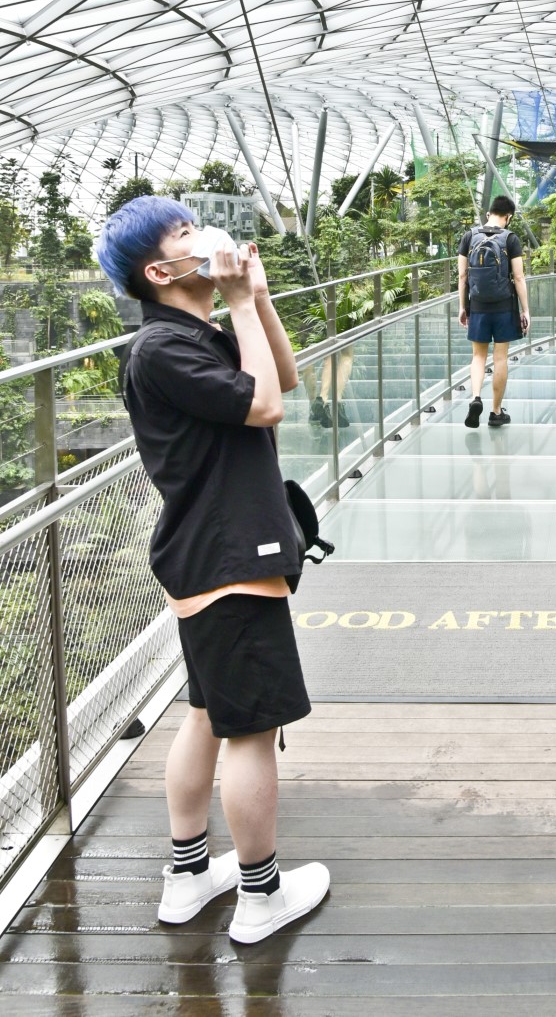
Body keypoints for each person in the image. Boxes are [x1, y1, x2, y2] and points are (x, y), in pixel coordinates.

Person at [96, 197, 330, 944]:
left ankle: (190, 872)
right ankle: (261, 895)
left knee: (206, 713)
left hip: (207, 552)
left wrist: (252, 301)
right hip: (231, 555)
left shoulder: (190, 336)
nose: (205, 236)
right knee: (252, 730)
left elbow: (282, 378)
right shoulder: (164, 350)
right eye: (186, 232)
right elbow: (265, 410)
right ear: (161, 271)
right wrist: (234, 299)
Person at [458, 194, 530, 427]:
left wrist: (462, 307)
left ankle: (475, 397)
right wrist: (525, 310)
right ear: (508, 217)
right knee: (500, 358)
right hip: (504, 306)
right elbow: (518, 277)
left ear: (489, 214)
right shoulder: (511, 239)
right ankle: (496, 412)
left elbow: (462, 275)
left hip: (477, 305)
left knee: (478, 356)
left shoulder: (469, 236)